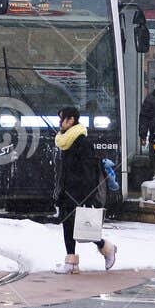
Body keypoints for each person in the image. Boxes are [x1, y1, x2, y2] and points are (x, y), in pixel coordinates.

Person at [53, 105, 116, 275]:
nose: (60, 123)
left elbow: (89, 171)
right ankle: (71, 262)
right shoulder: (66, 141)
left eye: (62, 119)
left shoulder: (82, 142)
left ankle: (106, 247)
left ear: (71, 120)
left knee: (82, 227)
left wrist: (87, 195)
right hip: (67, 189)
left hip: (79, 191)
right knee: (68, 224)